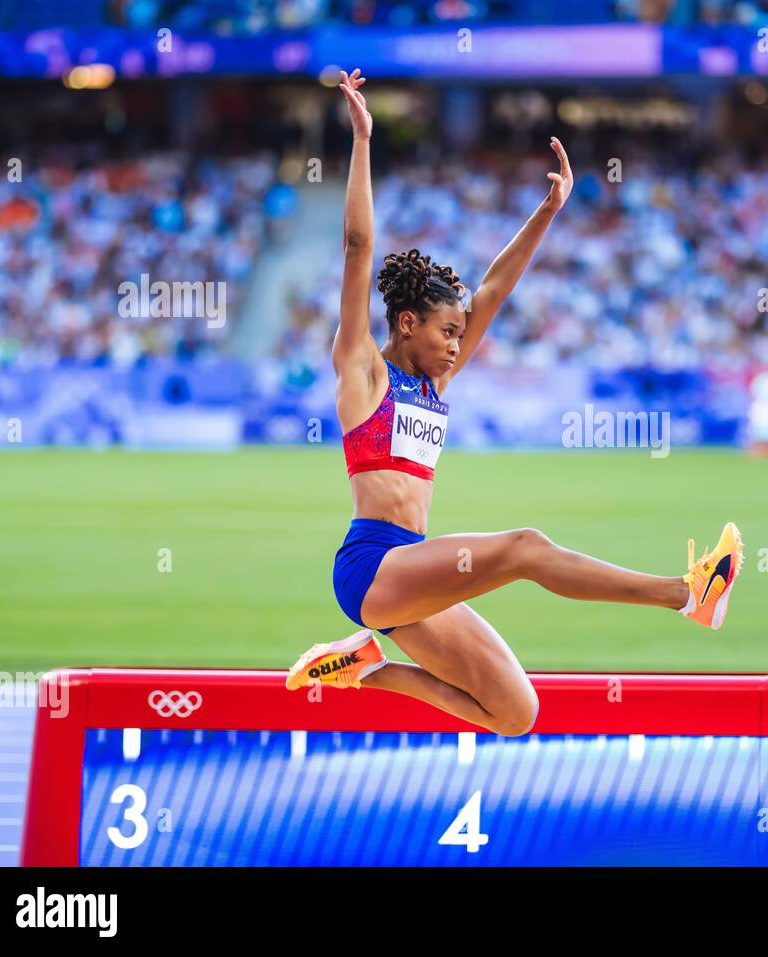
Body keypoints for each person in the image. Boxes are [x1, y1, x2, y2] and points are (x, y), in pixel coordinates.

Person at [284, 70, 744, 735]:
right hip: (374, 567)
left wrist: (550, 209)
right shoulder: (365, 376)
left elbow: (493, 290)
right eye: (446, 331)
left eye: (458, 335)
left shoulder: (434, 383)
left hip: (416, 572)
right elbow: (358, 249)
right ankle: (686, 595)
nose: (455, 344)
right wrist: (361, 138)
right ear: (406, 323)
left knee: (515, 712)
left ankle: (363, 667)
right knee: (526, 547)